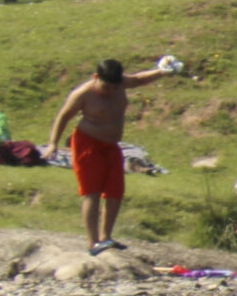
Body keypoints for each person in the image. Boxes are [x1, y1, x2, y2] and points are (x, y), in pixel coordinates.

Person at [45, 57, 173, 253]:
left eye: (114, 88)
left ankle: (106, 237)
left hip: (112, 145)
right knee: (92, 193)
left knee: (115, 191)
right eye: (106, 87)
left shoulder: (120, 82)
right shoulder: (83, 94)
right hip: (87, 143)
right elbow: (63, 117)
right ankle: (93, 242)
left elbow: (138, 79)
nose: (111, 92)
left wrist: (162, 71)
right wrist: (53, 144)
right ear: (96, 77)